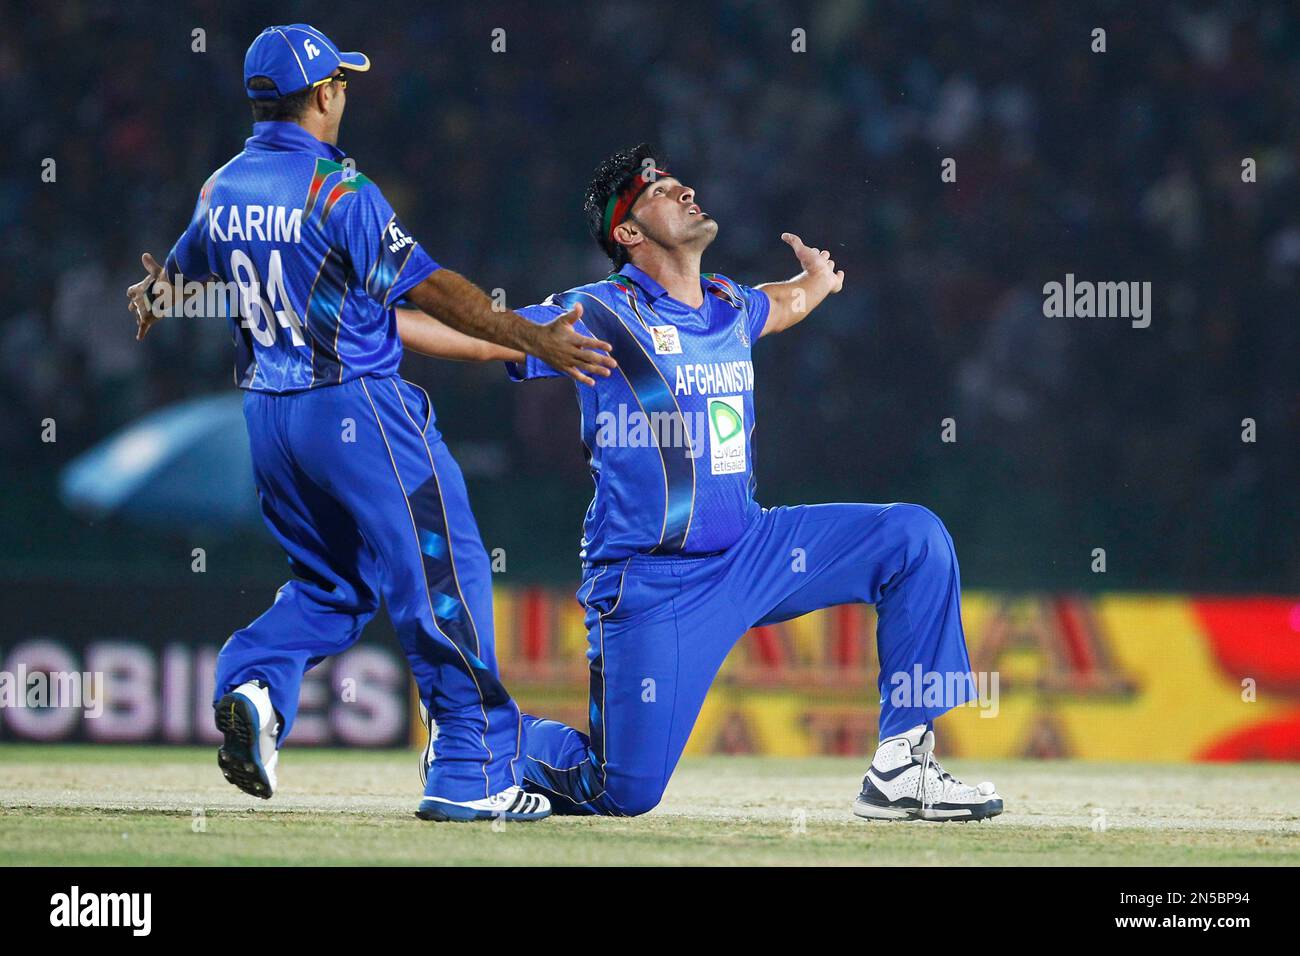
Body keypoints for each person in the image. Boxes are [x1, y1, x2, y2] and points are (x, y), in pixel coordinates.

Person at [398, 143, 1004, 822]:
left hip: (755, 549)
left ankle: (901, 768)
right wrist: (367, 328)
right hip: (654, 581)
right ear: (627, 232)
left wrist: (817, 284)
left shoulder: (726, 303)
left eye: (683, 185)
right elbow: (486, 339)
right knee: (622, 793)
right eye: (662, 192)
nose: (685, 193)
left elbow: (779, 305)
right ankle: (480, 740)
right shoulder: (599, 313)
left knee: (913, 537)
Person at [126, 24, 616, 822]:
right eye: (342, 82)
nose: (346, 92)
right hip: (356, 410)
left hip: (268, 419)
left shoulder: (222, 188)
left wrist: (152, 299)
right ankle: (471, 770)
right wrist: (534, 339)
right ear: (323, 94)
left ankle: (254, 683)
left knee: (333, 584)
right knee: (443, 572)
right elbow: (430, 288)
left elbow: (180, 272)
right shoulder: (338, 189)